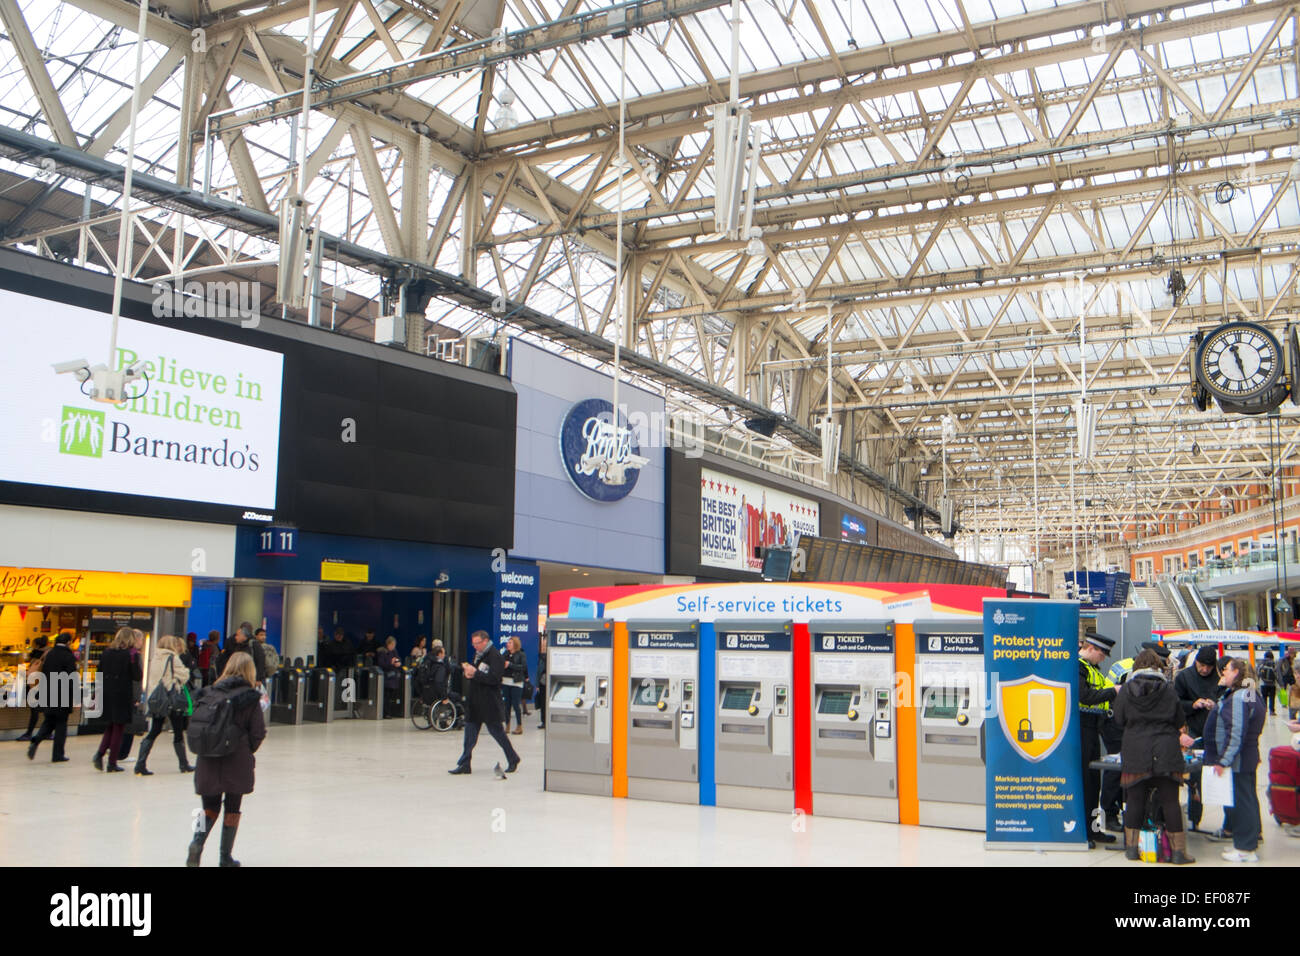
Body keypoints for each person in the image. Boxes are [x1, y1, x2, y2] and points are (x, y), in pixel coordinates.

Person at [1112, 649, 1195, 864]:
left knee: (1135, 800)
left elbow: (1118, 719)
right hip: (1166, 749)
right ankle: (1178, 853)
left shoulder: (1127, 690)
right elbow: (1179, 720)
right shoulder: (1168, 690)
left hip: (1135, 749)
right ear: (1158, 666)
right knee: (1170, 802)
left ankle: (1131, 849)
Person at [187, 652, 266, 867]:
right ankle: (225, 858)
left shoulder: (209, 693)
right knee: (232, 809)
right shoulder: (249, 697)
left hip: (208, 758)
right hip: (236, 760)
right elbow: (258, 732)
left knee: (209, 808)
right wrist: (246, 748)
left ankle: (197, 843)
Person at [1101, 640, 1171, 832]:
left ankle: (1131, 813)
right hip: (1115, 723)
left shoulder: (1130, 667)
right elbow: (1115, 697)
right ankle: (1110, 812)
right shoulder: (1125, 670)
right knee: (1115, 768)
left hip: (1130, 725)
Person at [1204, 658, 1267, 863]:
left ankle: (1245, 848)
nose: (1224, 673)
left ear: (1238, 672)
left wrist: (1223, 760)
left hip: (1238, 759)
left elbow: (1236, 731)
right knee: (1247, 798)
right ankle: (1248, 842)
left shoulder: (1240, 697)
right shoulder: (1250, 694)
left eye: (1228, 671)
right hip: (1247, 756)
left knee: (1241, 802)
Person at [448, 631, 520, 776]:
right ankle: (465, 764)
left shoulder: (495, 656)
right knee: (469, 735)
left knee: (498, 733)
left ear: (485, 641)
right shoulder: (479, 655)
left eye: (477, 643)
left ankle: (513, 758)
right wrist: (469, 674)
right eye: (473, 643)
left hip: (489, 703)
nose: (475, 646)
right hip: (475, 702)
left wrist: (475, 673)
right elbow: (478, 675)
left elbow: (494, 679)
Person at [1174, 645, 1223, 833]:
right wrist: (1192, 705)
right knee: (1193, 775)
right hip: (1192, 731)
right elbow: (1176, 702)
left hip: (1215, 732)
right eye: (1201, 666)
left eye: (1208, 667)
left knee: (1215, 775)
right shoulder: (1184, 677)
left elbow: (1224, 698)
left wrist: (1215, 704)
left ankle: (1223, 822)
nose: (1204, 670)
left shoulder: (1219, 678)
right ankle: (1194, 818)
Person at [1077, 628, 1119, 846]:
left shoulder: (1093, 669)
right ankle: (1083, 831)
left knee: (1094, 782)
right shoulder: (1078, 667)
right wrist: (1114, 691)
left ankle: (1094, 830)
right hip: (1082, 726)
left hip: (1094, 726)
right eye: (1101, 654)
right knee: (1085, 780)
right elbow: (1084, 696)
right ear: (1091, 648)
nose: (1103, 658)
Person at [135, 634, 193, 775]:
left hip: (158, 699)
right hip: (171, 698)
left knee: (154, 730)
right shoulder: (173, 657)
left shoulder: (155, 657)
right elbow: (184, 676)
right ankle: (183, 764)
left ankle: (140, 764)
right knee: (178, 731)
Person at [93, 628, 141, 772]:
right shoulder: (131, 655)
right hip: (122, 693)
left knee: (111, 725)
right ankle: (111, 762)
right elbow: (137, 676)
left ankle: (100, 753)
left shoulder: (106, 652)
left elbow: (99, 673)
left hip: (107, 693)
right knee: (119, 728)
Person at [26, 632, 77, 763]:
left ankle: (36, 740)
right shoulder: (68, 656)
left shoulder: (50, 654)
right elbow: (71, 678)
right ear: (68, 643)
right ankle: (57, 754)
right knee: (61, 725)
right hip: (62, 695)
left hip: (48, 693)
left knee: (48, 721)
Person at [17, 636, 50, 741]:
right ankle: (47, 732)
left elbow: (27, 661)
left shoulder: (37, 653)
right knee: (44, 710)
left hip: (35, 684)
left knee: (36, 710)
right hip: (42, 683)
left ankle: (30, 733)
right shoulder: (48, 653)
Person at [501, 636, 527, 735]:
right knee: (507, 704)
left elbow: (523, 667)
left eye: (510, 643)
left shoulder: (521, 654)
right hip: (506, 681)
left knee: (516, 704)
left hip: (516, 682)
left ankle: (519, 726)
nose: (508, 644)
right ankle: (507, 725)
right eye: (508, 642)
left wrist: (510, 665)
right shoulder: (505, 654)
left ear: (515, 644)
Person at [376, 636, 401, 717]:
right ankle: (385, 713)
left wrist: (398, 663)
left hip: (393, 677)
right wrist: (390, 663)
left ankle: (391, 712)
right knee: (386, 696)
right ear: (388, 644)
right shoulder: (382, 652)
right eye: (392, 645)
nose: (393, 647)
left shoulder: (394, 651)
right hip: (386, 677)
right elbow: (381, 664)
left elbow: (398, 659)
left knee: (392, 696)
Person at [1258, 651, 1278, 716]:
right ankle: (1272, 711)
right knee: (1272, 698)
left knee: (1264, 697)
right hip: (1272, 684)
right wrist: (1279, 683)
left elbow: (1258, 672)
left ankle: (1264, 710)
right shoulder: (1274, 663)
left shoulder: (1261, 663)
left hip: (1263, 684)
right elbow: (1277, 673)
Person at [536, 634, 547, 729]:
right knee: (542, 703)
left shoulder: (548, 657)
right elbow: (538, 671)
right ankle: (543, 721)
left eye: (545, 645)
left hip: (548, 682)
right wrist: (537, 684)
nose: (543, 647)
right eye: (542, 645)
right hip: (542, 682)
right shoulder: (541, 657)